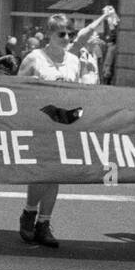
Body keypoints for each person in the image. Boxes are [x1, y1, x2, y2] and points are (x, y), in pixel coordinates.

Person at [14, 14, 84, 247]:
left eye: (70, 34)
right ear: (50, 34)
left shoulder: (74, 61)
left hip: (65, 126)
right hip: (40, 124)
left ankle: (44, 224)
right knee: (41, 174)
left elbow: (81, 93)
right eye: (61, 34)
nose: (66, 38)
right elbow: (15, 91)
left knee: (55, 176)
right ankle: (29, 213)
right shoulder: (35, 58)